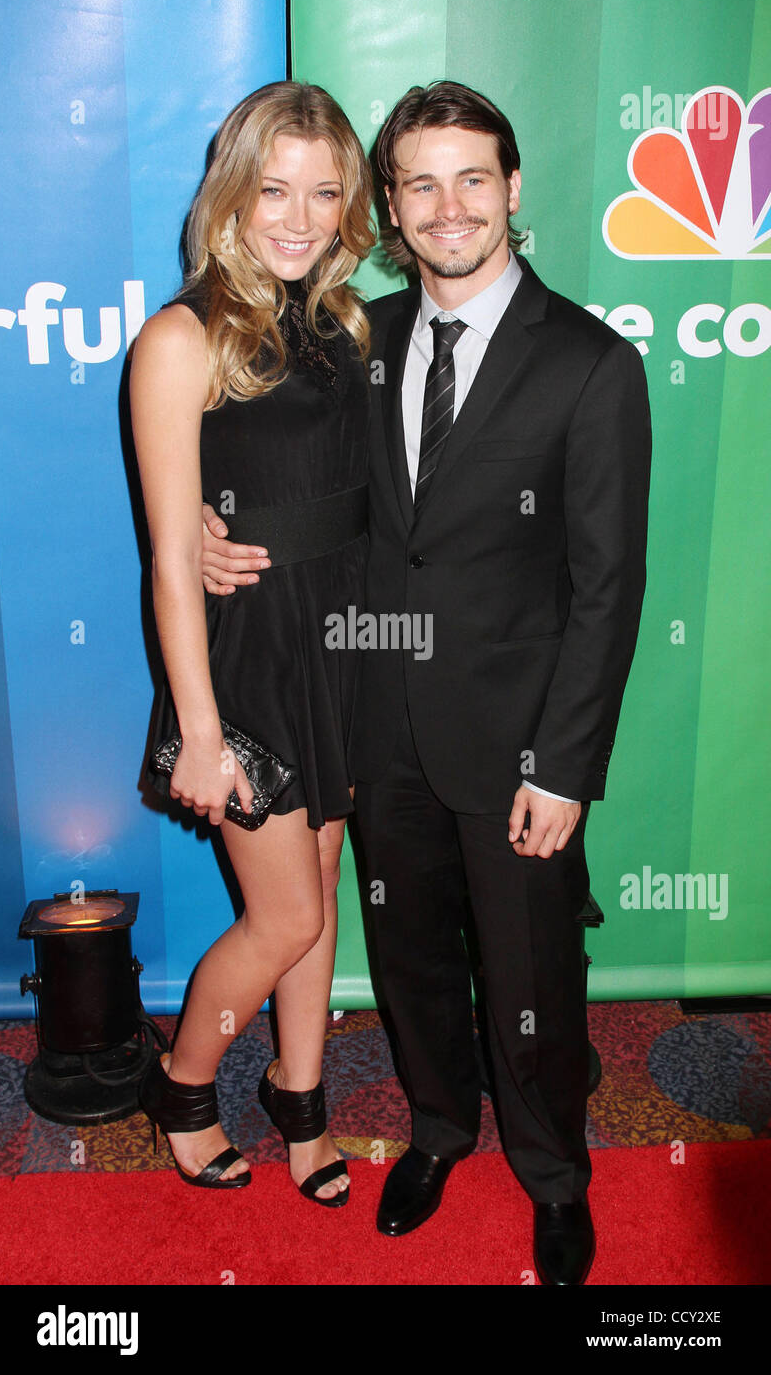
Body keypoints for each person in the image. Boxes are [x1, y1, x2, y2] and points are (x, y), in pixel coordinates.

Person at [201, 80, 651, 1283]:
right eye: (418, 184)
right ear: (390, 210)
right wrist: (204, 532)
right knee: (407, 964)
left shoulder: (591, 365)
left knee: (531, 974)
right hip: (375, 726)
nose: (447, 207)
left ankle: (555, 1175)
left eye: (471, 179)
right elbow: (282, 472)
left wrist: (565, 768)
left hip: (516, 751)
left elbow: (608, 592)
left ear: (511, 190)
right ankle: (441, 1131)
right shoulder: (362, 339)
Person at [130, 80, 375, 1202]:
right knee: (284, 913)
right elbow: (174, 556)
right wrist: (199, 733)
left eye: (323, 193)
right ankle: (182, 1083)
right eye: (273, 188)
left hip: (341, 641)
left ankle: (301, 1102)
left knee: (319, 892)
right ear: (231, 192)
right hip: (247, 662)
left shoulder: (341, 323)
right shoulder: (181, 339)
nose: (297, 215)